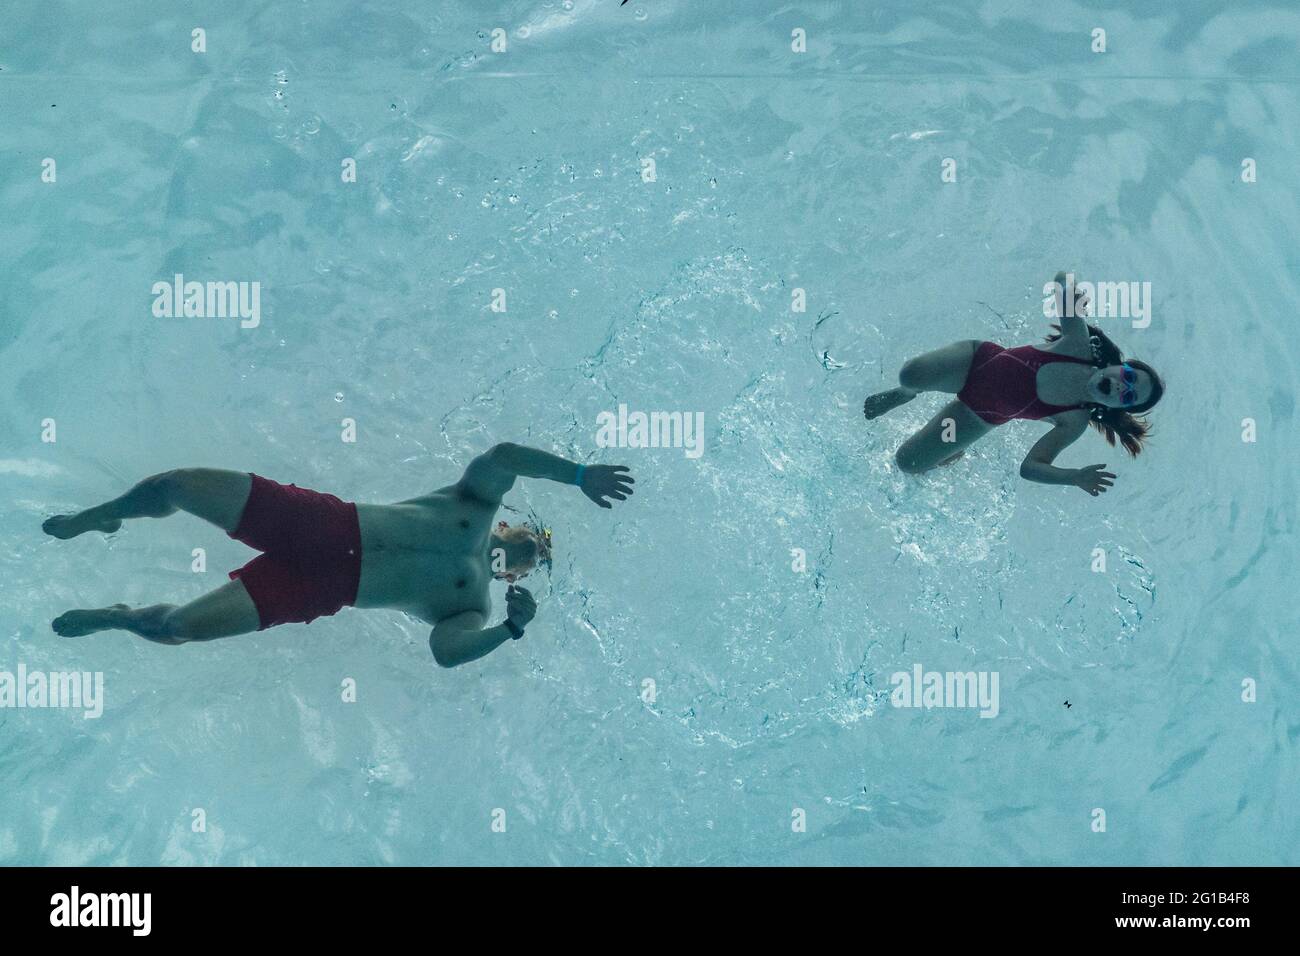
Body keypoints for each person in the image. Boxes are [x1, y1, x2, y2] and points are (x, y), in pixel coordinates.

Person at [44, 444, 633, 666]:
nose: (533, 550)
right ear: (514, 523)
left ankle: (117, 617)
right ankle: (101, 516)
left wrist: (510, 629)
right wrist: (578, 475)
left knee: (178, 628)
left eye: (540, 559)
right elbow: (505, 455)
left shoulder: (474, 604)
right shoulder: (472, 505)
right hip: (320, 523)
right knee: (175, 484)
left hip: (323, 590)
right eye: (537, 538)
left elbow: (446, 653)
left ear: (522, 576)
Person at [862, 273, 1164, 495]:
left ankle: (952, 452)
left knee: (908, 463)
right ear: (1116, 366)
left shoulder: (1075, 419)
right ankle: (905, 395)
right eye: (1128, 378)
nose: (1122, 387)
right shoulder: (1078, 345)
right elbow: (1061, 281)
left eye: (1128, 396)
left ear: (1116, 407)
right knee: (910, 375)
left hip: (977, 416)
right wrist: (1071, 289)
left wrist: (1073, 477)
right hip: (975, 361)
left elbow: (1031, 467)